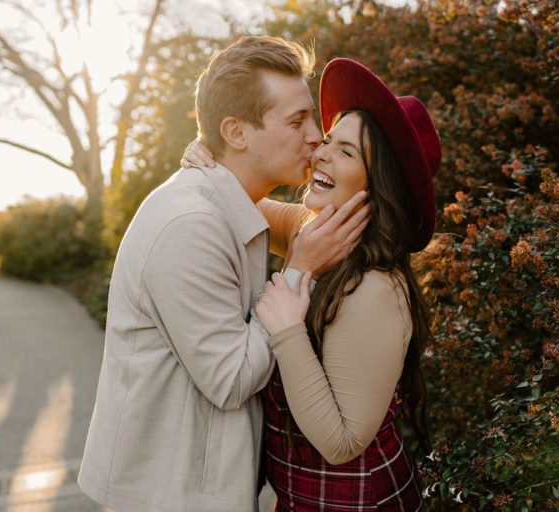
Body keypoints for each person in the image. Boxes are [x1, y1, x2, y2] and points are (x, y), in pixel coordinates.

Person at [77, 37, 369, 512]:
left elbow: (291, 220)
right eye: (297, 121)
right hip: (166, 495)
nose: (316, 135)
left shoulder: (230, 199)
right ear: (236, 132)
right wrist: (301, 269)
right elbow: (231, 379)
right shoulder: (190, 224)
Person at [183, 58, 440, 511]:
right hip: (299, 499)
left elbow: (342, 443)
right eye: (329, 140)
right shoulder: (308, 227)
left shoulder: (376, 288)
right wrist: (206, 159)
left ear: (377, 184)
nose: (320, 152)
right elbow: (239, 198)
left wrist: (285, 330)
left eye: (345, 152)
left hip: (360, 502)